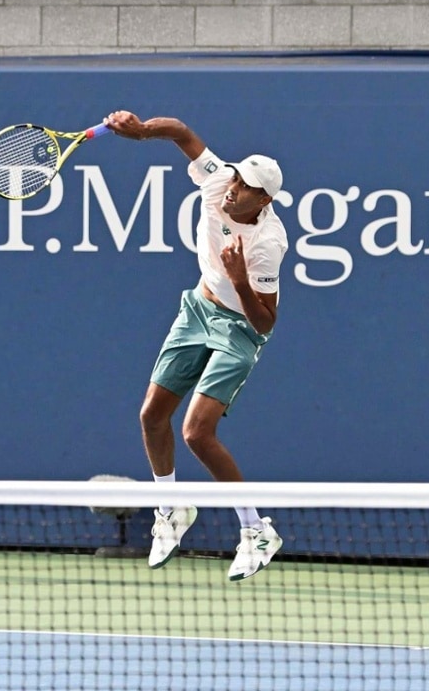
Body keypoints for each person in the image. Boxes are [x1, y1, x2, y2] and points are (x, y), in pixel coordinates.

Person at [105, 110, 288, 582]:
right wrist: (141, 131)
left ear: (263, 199)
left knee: (196, 433)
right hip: (198, 310)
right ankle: (170, 509)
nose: (234, 188)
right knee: (151, 416)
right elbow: (181, 132)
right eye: (237, 179)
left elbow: (265, 322)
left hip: (239, 329)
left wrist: (240, 279)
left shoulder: (267, 242)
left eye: (246, 187)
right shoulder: (219, 181)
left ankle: (257, 531)